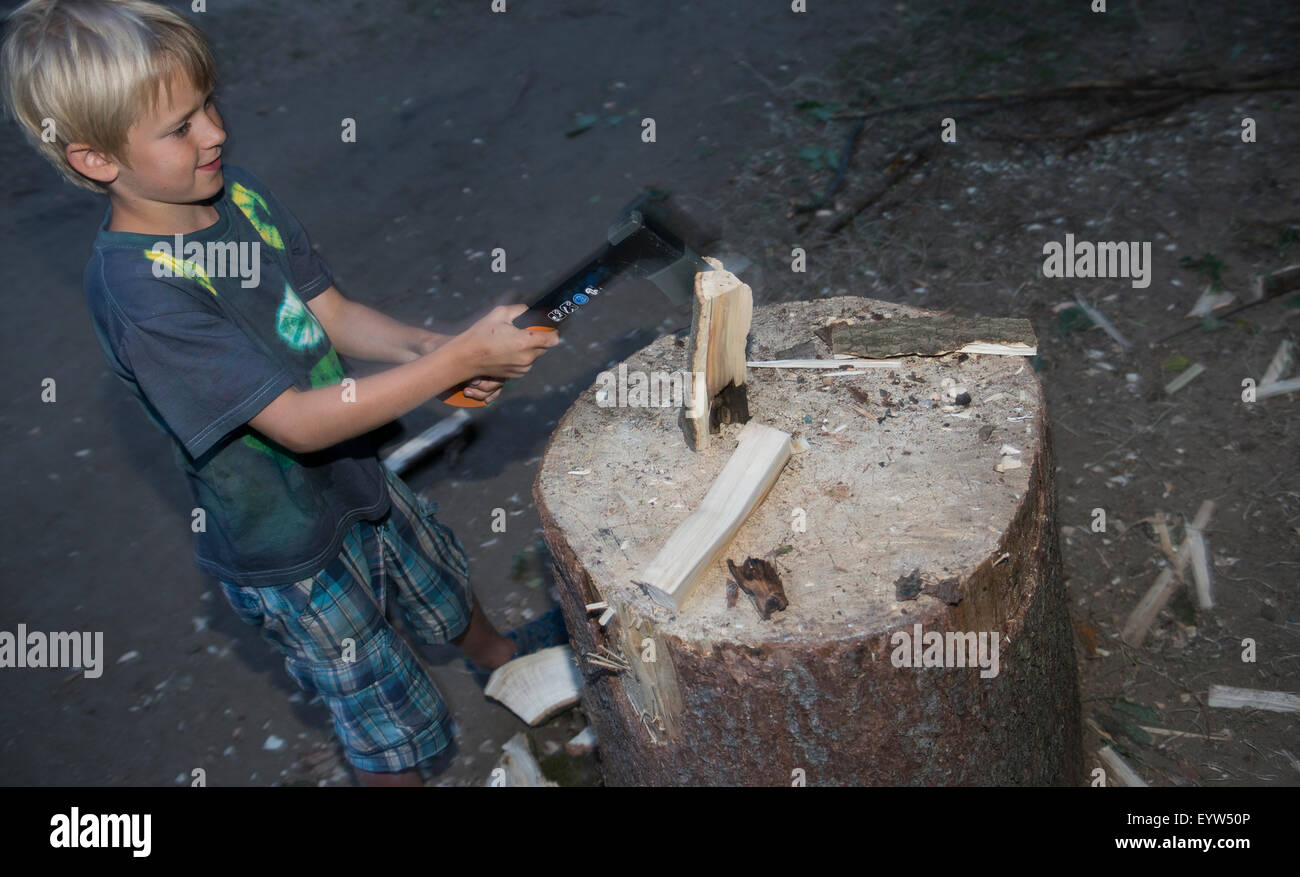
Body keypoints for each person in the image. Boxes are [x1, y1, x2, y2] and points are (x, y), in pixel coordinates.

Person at [1, 0, 566, 786]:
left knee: (433, 572)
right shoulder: (142, 293)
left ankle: (501, 659)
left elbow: (329, 314)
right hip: (286, 548)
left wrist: (440, 347)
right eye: (180, 128)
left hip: (358, 468)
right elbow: (296, 424)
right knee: (385, 714)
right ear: (98, 159)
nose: (216, 133)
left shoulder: (233, 193)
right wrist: (449, 367)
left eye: (208, 105)